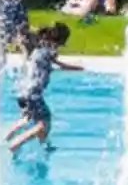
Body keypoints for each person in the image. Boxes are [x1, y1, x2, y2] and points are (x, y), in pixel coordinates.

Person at [7, 23, 83, 155]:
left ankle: (11, 138)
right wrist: (77, 68)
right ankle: (16, 144)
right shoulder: (50, 51)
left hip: (24, 92)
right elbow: (60, 64)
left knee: (28, 119)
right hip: (34, 94)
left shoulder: (38, 49)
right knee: (44, 123)